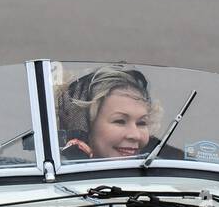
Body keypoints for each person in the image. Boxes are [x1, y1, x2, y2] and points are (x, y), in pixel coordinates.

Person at [55, 65, 183, 161]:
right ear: (86, 128)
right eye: (120, 121)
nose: (135, 135)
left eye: (141, 123)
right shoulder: (54, 184)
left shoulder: (170, 173)